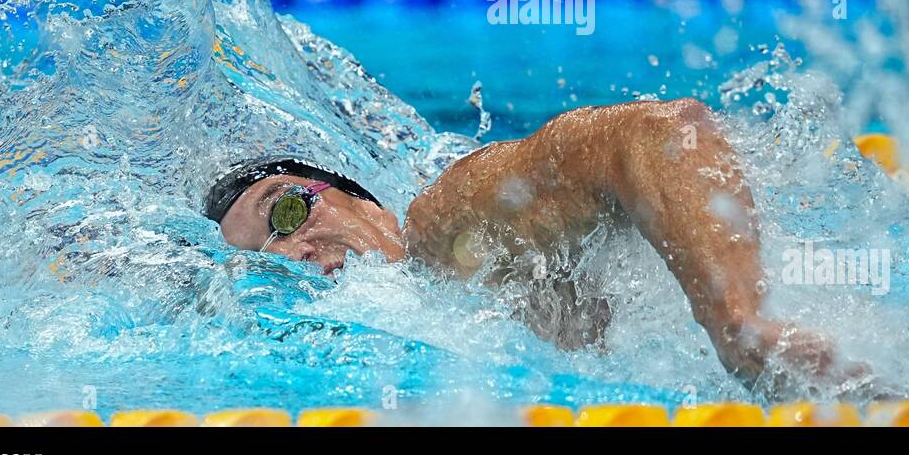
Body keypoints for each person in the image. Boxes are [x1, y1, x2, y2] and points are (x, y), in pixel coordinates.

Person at [206, 97, 874, 396]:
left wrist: (740, 322)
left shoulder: (447, 231)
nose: (289, 250)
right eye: (264, 260)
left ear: (362, 200)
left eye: (287, 209)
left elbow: (656, 133)